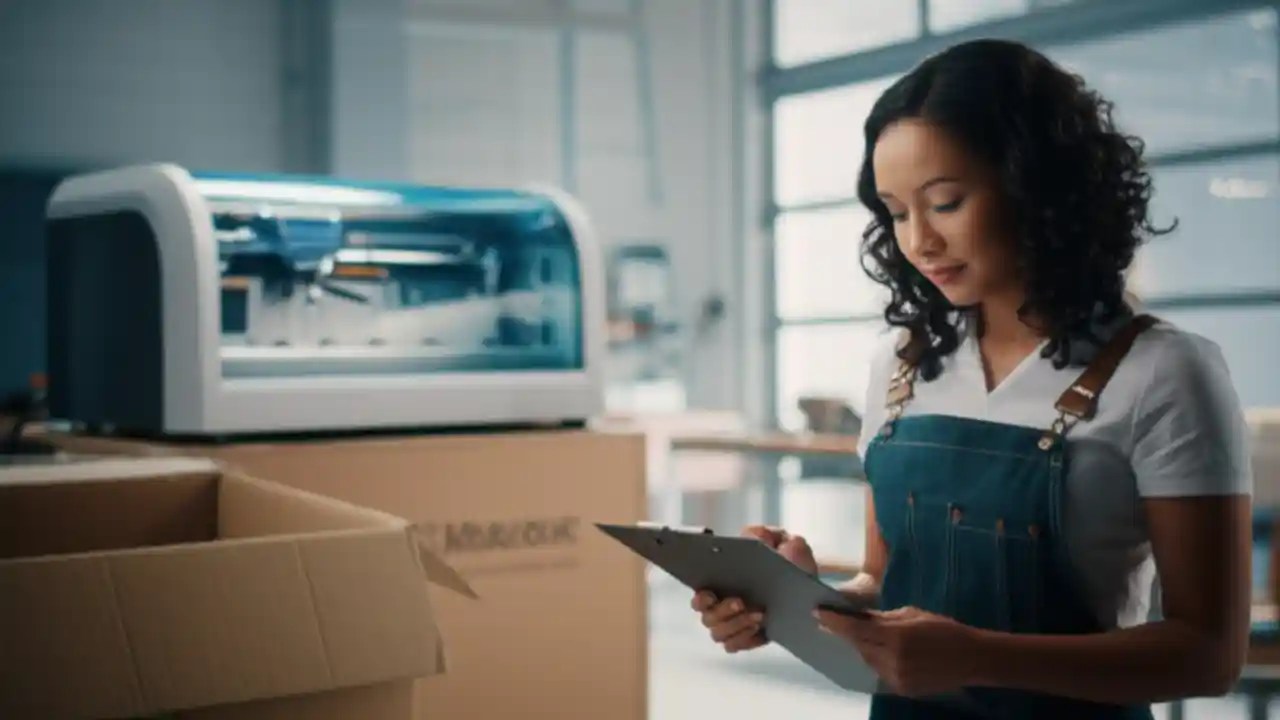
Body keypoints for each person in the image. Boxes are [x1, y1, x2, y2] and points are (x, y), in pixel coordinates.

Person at [692, 39, 1253, 719]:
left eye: (947, 202)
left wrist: (982, 657)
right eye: (897, 213)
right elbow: (884, 585)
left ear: (1036, 186)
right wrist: (794, 599)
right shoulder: (899, 364)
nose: (919, 241)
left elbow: (1209, 654)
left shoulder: (1165, 371)